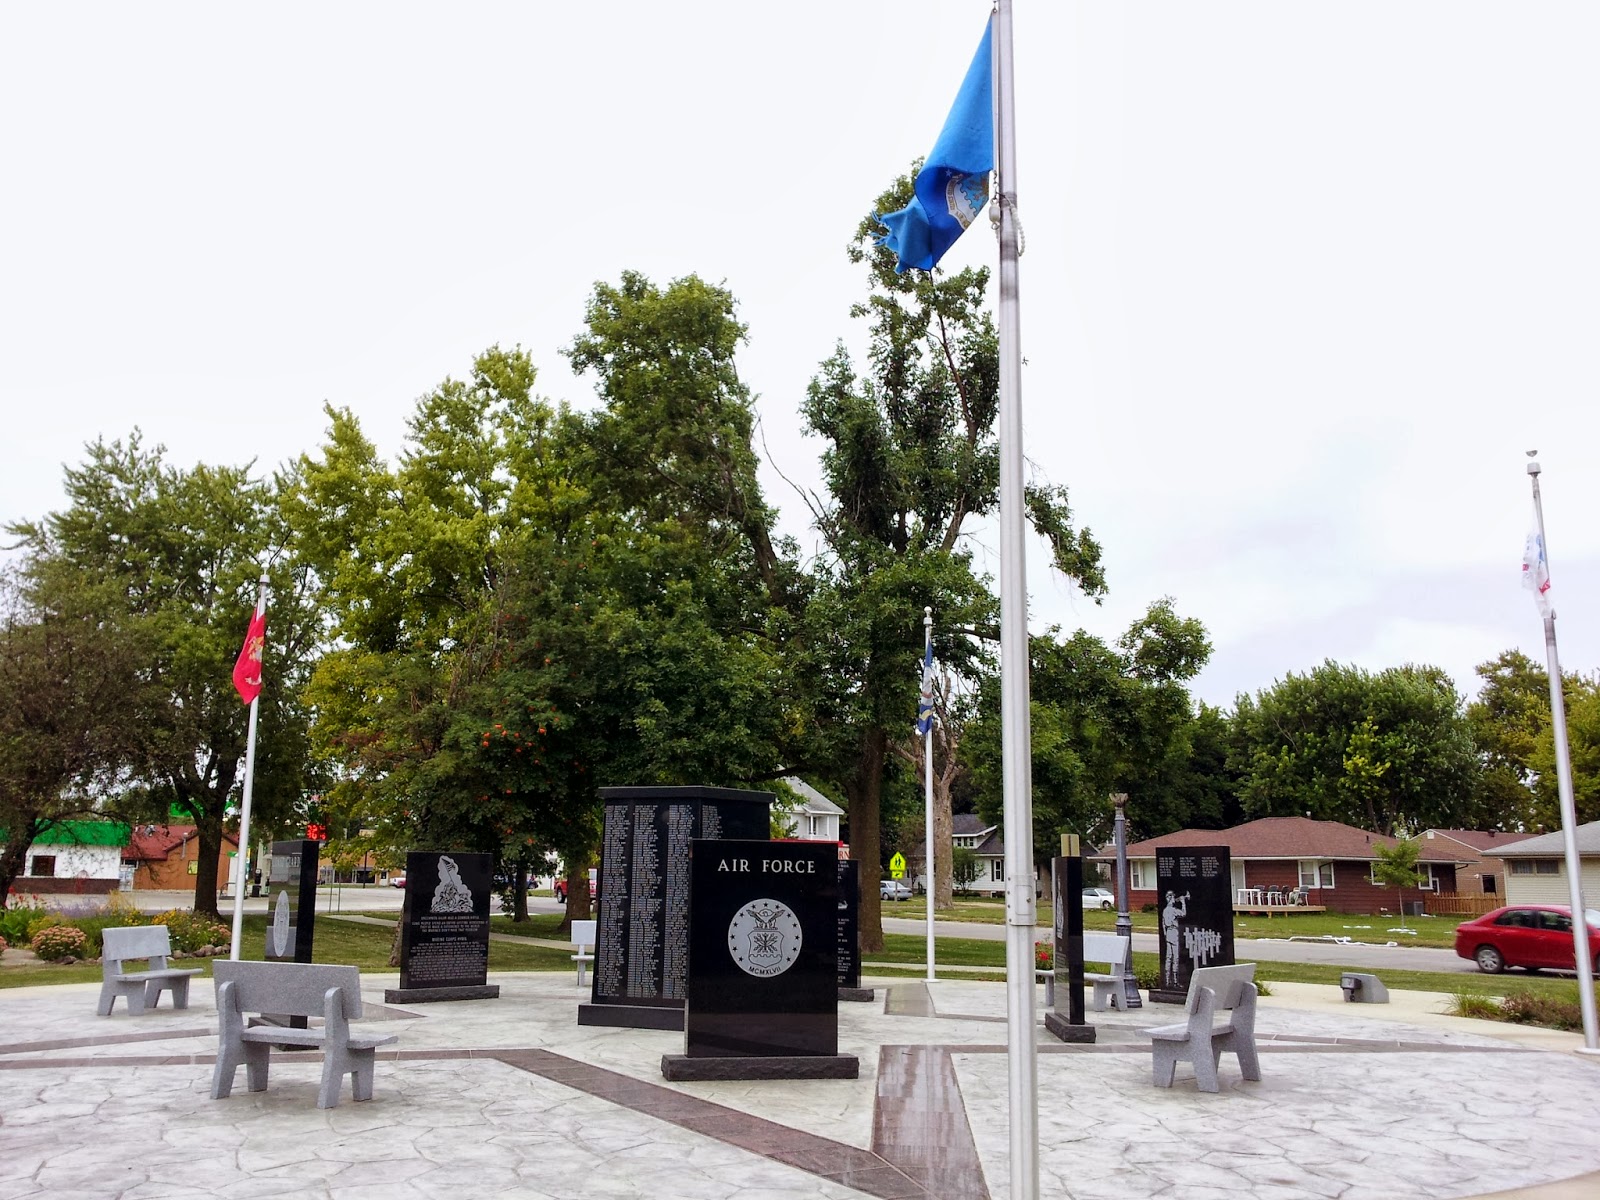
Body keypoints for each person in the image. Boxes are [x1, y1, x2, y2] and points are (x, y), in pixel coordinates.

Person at [1161, 890, 1190, 987]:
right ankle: (1175, 981)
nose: (1174, 899)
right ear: (1170, 898)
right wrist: (1183, 902)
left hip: (1168, 933)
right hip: (1173, 932)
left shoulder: (1165, 910)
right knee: (1175, 958)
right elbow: (1183, 913)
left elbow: (1163, 924)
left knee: (1168, 957)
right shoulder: (1173, 910)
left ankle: (1167, 981)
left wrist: (1165, 935)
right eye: (1173, 897)